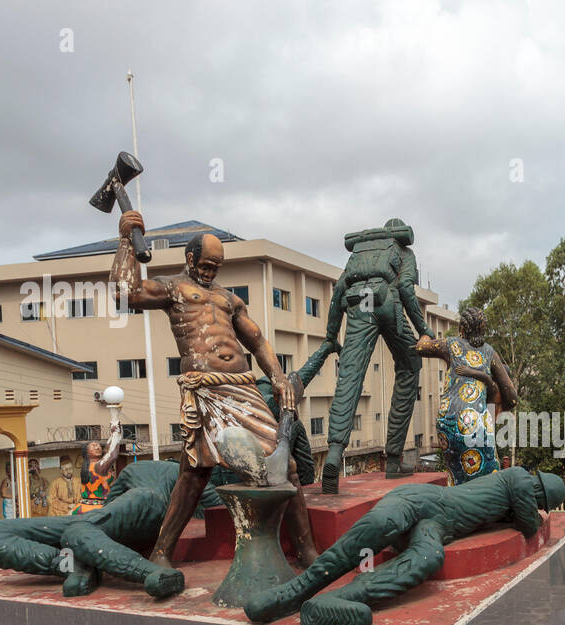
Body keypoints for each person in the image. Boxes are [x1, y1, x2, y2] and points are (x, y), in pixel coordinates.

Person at [111, 212, 317, 569]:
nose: (210, 271)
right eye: (206, 264)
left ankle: (305, 550)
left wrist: (279, 377)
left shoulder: (228, 300)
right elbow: (125, 292)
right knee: (194, 474)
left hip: (243, 388)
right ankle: (162, 552)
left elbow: (257, 340)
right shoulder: (173, 289)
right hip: (204, 389)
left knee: (289, 468)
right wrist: (127, 241)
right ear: (189, 259)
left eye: (216, 266)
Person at [245, 468, 565, 625]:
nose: (537, 506)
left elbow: (516, 517)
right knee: (380, 525)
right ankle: (293, 593)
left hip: (440, 525)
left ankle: (338, 600)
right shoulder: (521, 480)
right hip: (422, 499)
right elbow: (528, 526)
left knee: (429, 558)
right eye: (541, 503)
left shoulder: (511, 494)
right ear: (540, 491)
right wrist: (536, 516)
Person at [0, 460, 223, 598]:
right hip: (99, 524)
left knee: (77, 532)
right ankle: (73, 563)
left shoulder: (172, 473)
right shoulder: (166, 471)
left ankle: (153, 573)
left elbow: (212, 505)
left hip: (146, 507)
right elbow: (216, 507)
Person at [319, 218, 429, 492]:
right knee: (409, 363)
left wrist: (331, 336)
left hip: (360, 303)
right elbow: (405, 289)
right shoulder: (404, 252)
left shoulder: (361, 252)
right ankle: (393, 460)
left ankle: (334, 453)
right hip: (386, 302)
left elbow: (338, 293)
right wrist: (424, 330)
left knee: (350, 376)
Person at [414, 306, 517, 485]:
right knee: (489, 477)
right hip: (475, 424)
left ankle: (456, 503)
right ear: (483, 330)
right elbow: (513, 397)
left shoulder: (450, 344)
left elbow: (421, 347)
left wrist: (426, 332)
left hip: (447, 421)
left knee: (456, 475)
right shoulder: (489, 352)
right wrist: (493, 393)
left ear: (462, 329)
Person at [74, 423, 122, 514]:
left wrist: (113, 434)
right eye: (93, 446)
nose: (97, 447)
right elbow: (113, 455)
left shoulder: (90, 465)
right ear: (87, 452)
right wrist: (116, 433)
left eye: (98, 445)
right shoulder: (98, 466)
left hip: (82, 507)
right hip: (98, 509)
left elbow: (107, 450)